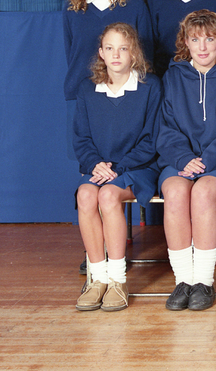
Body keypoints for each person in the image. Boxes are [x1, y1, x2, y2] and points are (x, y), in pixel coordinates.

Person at [155, 10, 216, 312]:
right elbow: (165, 129)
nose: (202, 47)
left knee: (201, 192)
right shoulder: (172, 77)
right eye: (195, 39)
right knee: (174, 192)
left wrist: (207, 161)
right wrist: (185, 159)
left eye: (210, 39)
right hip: (180, 160)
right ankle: (183, 280)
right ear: (185, 42)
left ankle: (204, 283)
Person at [73, 23, 162, 311]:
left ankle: (117, 280)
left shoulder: (150, 86)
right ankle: (97, 278)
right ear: (100, 53)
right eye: (109, 48)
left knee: (109, 196)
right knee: (86, 195)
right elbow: (81, 138)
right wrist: (95, 164)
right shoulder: (88, 89)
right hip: (102, 168)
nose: (116, 54)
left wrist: (119, 167)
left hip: (139, 166)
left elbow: (152, 140)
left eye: (123, 48)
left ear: (133, 52)